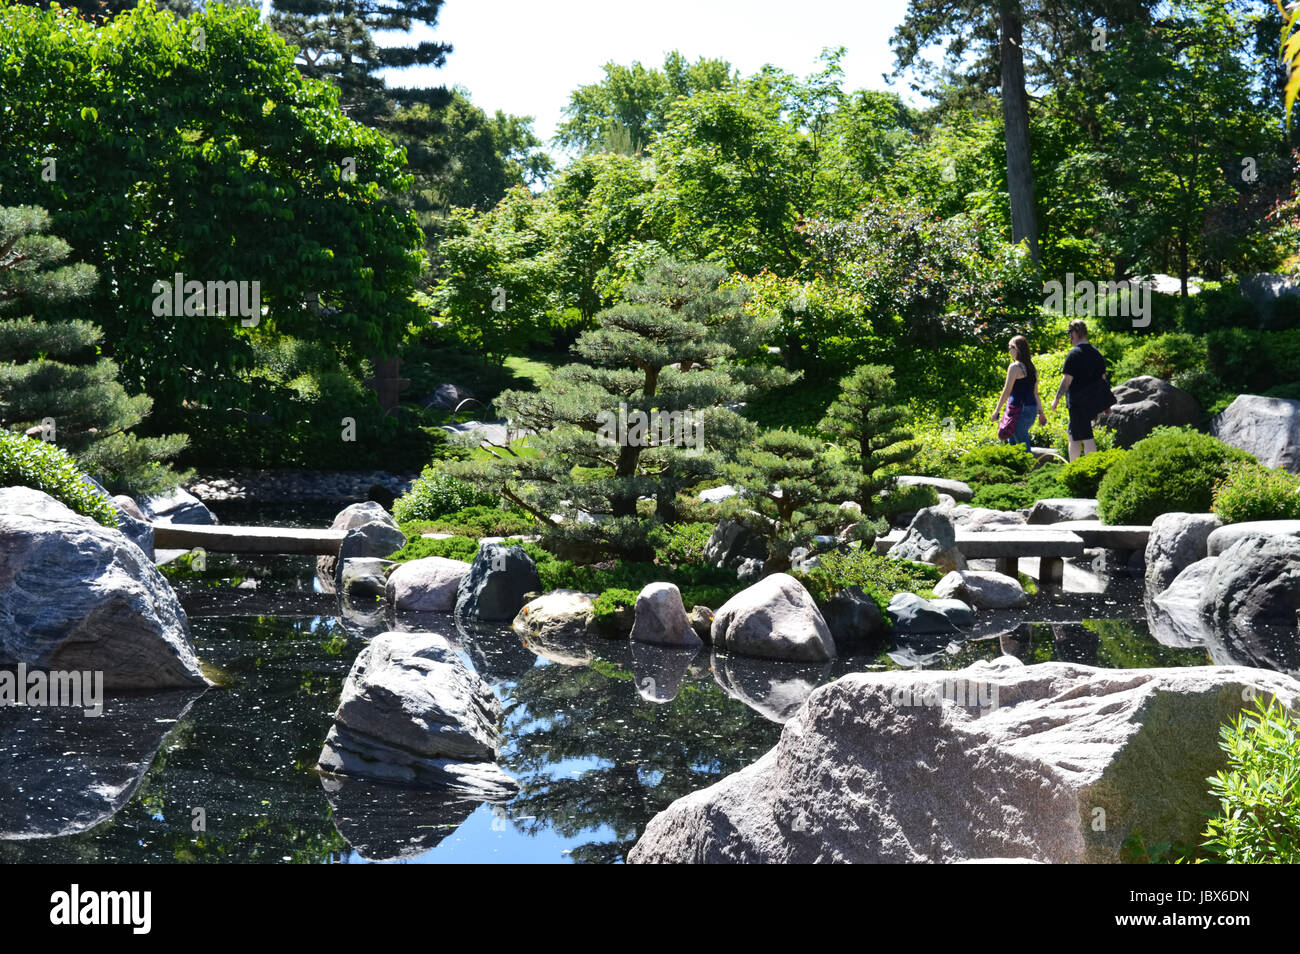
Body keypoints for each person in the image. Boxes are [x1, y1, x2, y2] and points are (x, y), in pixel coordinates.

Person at [1050, 319, 1107, 461]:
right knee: (1073, 435)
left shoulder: (1074, 354)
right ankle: (1074, 467)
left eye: (1070, 333)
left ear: (1074, 333)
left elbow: (1066, 381)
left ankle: (1090, 469)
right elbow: (1103, 380)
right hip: (1092, 401)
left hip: (1078, 402)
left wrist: (1056, 399)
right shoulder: (1096, 353)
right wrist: (1106, 403)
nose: (1069, 337)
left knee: (1087, 436)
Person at [992, 335, 1047, 454]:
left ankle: (1028, 470)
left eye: (1010, 347)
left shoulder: (1015, 367)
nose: (1009, 350)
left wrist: (996, 411)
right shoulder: (1032, 368)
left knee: (1021, 445)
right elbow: (1035, 393)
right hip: (1031, 410)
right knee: (1013, 443)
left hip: (1018, 410)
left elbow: (1007, 391)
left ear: (1017, 349)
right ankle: (1017, 469)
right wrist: (1041, 413)